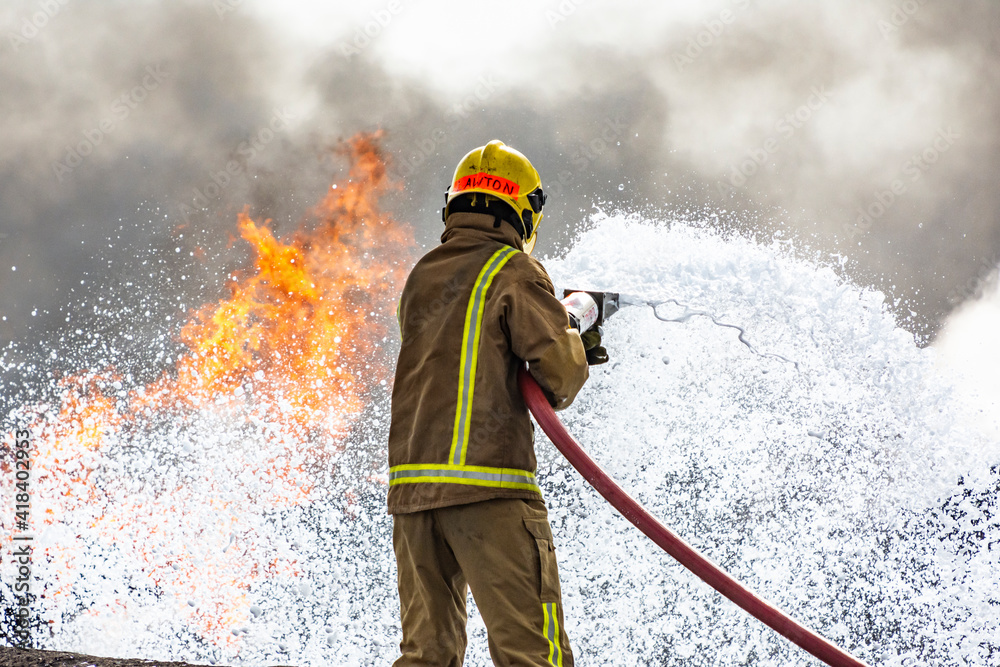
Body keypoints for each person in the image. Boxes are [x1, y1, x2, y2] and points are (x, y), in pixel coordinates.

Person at [387, 140, 602, 666]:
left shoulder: (424, 275)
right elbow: (560, 378)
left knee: (426, 656)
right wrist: (573, 324)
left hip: (414, 498)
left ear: (455, 203)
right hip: (490, 490)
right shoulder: (513, 270)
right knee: (533, 654)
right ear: (525, 212)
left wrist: (555, 319)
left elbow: (467, 350)